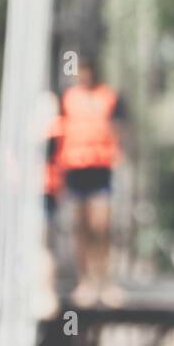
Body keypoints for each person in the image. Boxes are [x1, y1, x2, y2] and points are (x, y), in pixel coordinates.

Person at [51, 55, 126, 305]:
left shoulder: (109, 97)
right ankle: (84, 283)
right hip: (75, 171)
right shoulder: (67, 99)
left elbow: (119, 129)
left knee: (101, 227)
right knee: (80, 227)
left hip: (100, 170)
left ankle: (104, 282)